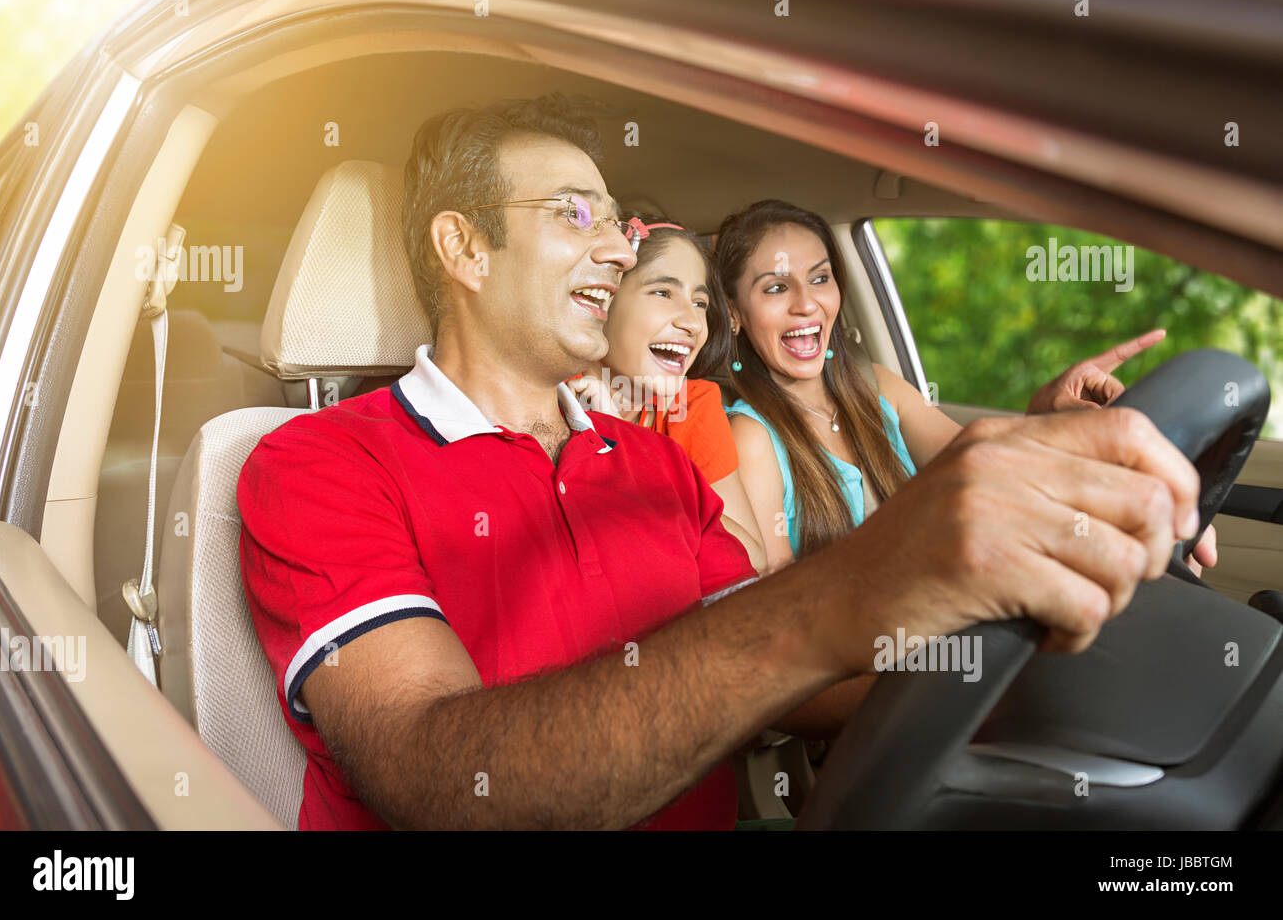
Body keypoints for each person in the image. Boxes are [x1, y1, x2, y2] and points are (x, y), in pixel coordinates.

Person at [237, 94, 1203, 830]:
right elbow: (432, 770)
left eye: (619, 224)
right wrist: (859, 588)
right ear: (465, 247)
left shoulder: (653, 467)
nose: (619, 250)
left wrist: (1009, 638)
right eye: (575, 215)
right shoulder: (318, 465)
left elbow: (791, 684)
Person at [716, 198, 1218, 575]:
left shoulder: (876, 386)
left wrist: (1047, 420)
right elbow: (776, 605)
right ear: (735, 314)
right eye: (777, 288)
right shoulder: (752, 438)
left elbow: (975, 458)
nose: (807, 304)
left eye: (820, 278)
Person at [567, 215, 765, 570]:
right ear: (604, 298)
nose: (691, 322)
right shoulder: (551, 396)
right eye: (662, 292)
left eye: (700, 303)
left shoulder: (692, 406)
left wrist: (626, 450)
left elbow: (749, 557)